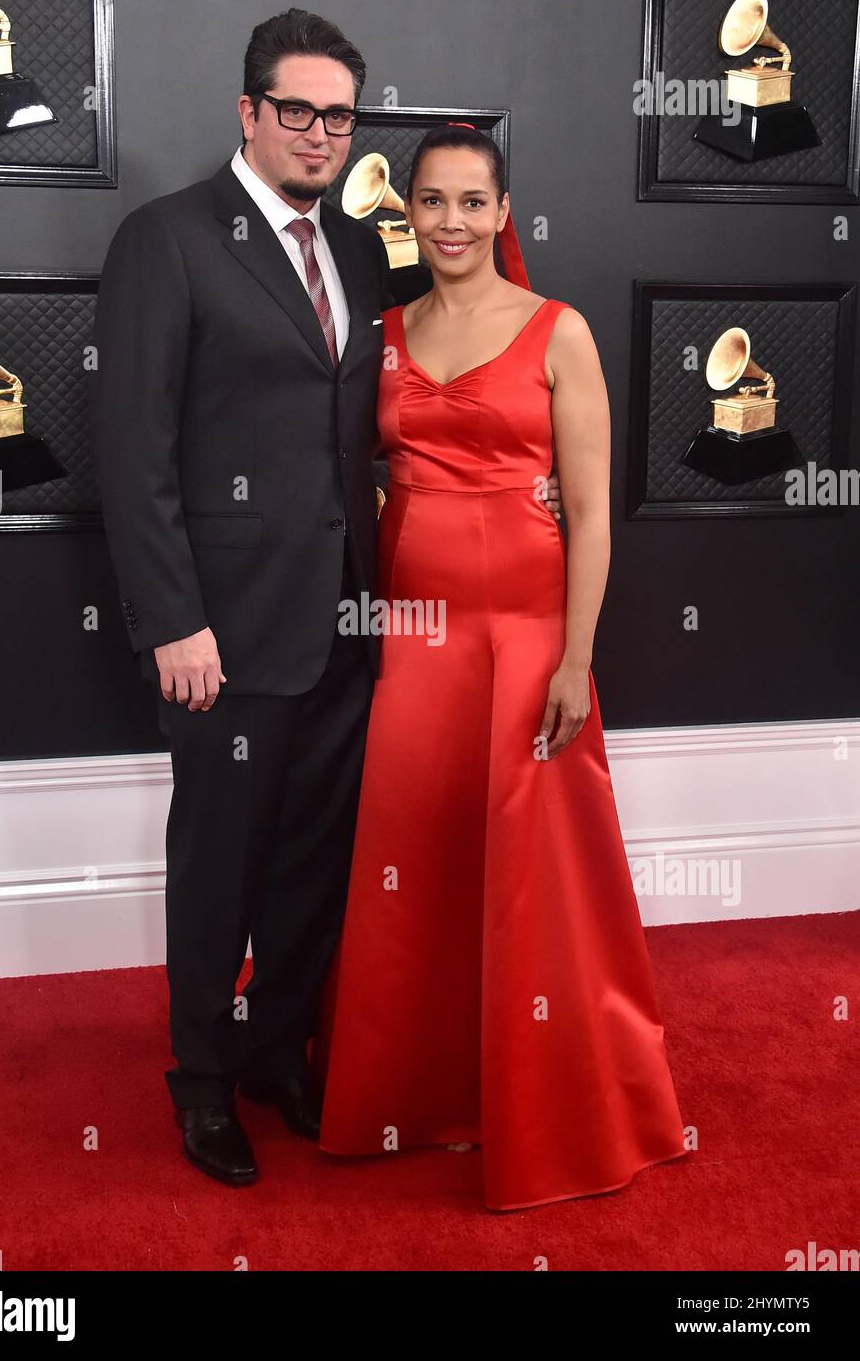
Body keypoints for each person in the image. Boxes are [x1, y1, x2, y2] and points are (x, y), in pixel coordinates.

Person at [90, 11, 561, 1186]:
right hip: (225, 635)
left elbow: (426, 384)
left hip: (353, 629)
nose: (315, 131)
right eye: (294, 109)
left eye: (336, 114)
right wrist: (171, 622)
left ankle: (272, 1053)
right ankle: (200, 1087)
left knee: (315, 870)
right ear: (248, 113)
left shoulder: (359, 248)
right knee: (220, 871)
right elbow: (131, 452)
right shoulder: (169, 239)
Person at [314, 125, 690, 1211]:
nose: (449, 222)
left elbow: (591, 514)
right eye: (430, 201)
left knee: (537, 875)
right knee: (410, 857)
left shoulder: (558, 331)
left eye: (472, 202)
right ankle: (413, 1094)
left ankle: (555, 1102)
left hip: (527, 636)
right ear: (409, 213)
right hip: (414, 637)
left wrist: (576, 655)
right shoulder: (379, 334)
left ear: (503, 210)